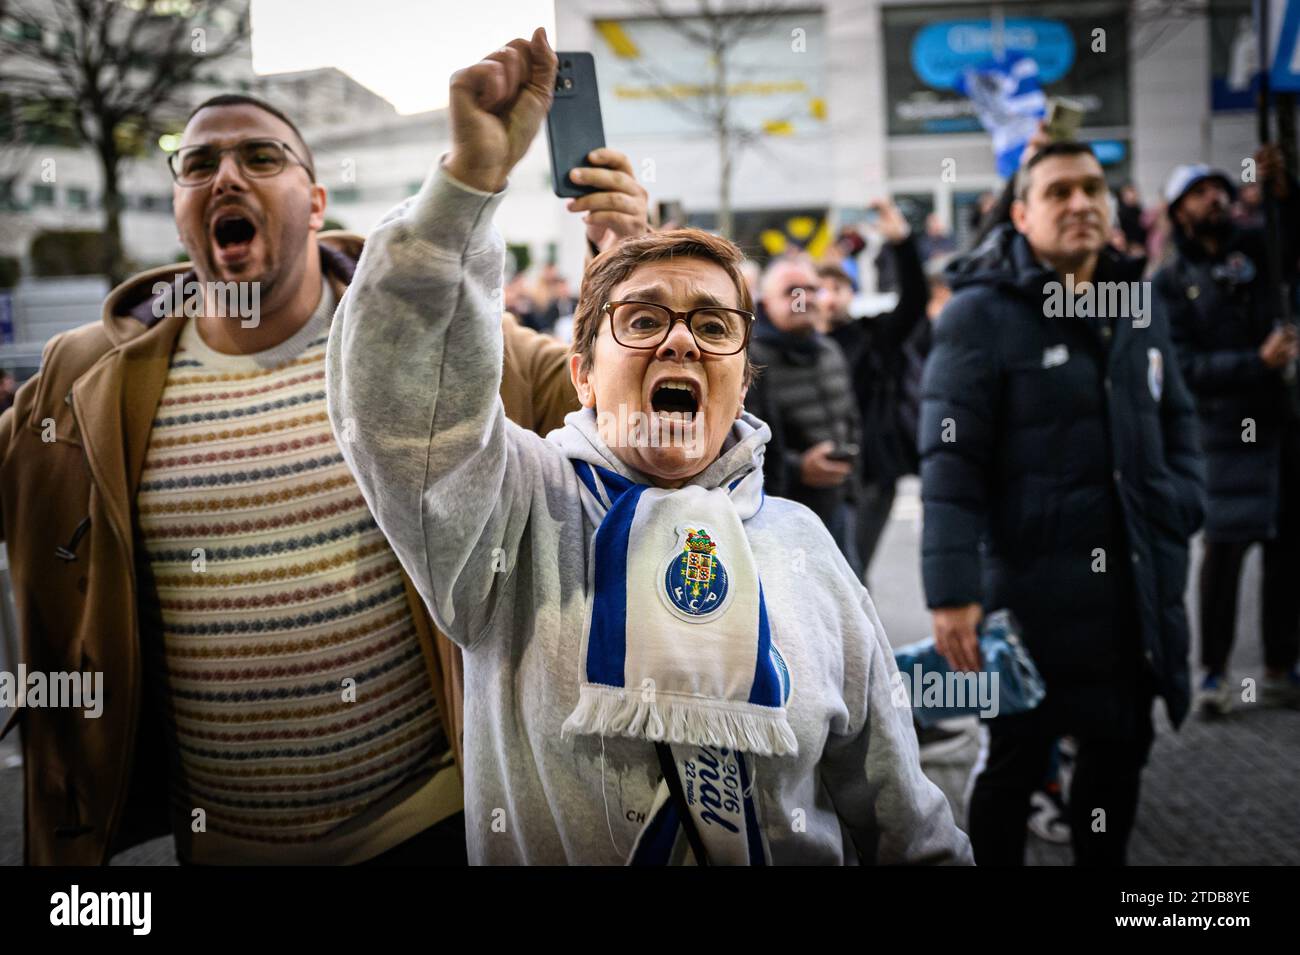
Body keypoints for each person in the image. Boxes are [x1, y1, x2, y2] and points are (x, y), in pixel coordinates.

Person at [327, 28, 972, 866]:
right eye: (641, 321)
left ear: (743, 382)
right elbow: (403, 399)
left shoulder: (808, 547)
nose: (680, 343)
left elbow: (902, 815)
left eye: (713, 325)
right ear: (582, 374)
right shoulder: (516, 510)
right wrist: (464, 190)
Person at [0, 92, 645, 865]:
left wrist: (628, 271)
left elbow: (620, 424)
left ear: (314, 203)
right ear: (179, 210)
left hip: (436, 822)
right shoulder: (86, 379)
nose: (225, 177)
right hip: (221, 846)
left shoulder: (432, 342)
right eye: (197, 164)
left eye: (261, 157)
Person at [921, 141, 1205, 866]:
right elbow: (951, 463)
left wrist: (1182, 499)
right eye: (1058, 192)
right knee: (1015, 763)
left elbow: (1176, 413)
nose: (1080, 203)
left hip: (1134, 593)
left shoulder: (1133, 300)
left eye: (1093, 189)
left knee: (1118, 757)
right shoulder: (979, 314)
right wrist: (951, 593)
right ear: (1020, 213)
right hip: (1026, 597)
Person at [1154, 152, 1300, 713]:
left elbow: (1293, 237)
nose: (1214, 198)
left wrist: (1285, 191)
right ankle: (1212, 674)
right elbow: (1183, 369)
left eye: (1219, 189)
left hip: (1283, 426)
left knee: (1287, 551)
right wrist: (1254, 362)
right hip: (1223, 436)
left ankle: (1281, 665)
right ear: (1178, 209)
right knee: (1224, 556)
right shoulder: (1169, 282)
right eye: (1198, 193)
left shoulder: (1259, 249)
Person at [818, 198, 928, 580]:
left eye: (838, 287)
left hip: (871, 476)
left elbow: (914, 302)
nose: (830, 297)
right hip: (818, 477)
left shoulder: (872, 337)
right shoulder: (791, 348)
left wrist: (902, 243)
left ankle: (859, 641)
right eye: (821, 288)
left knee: (852, 571)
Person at [745, 257, 861, 569]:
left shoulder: (829, 351)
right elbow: (741, 446)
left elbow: (850, 421)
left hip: (837, 507)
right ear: (765, 303)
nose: (805, 298)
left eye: (812, 289)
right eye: (792, 291)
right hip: (779, 515)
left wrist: (851, 488)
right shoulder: (749, 362)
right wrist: (799, 469)